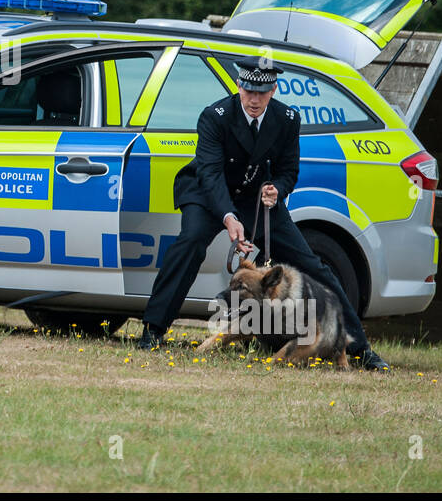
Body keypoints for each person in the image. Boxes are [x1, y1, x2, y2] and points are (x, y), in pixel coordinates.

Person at [137, 57, 390, 371]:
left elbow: (288, 170)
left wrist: (277, 190)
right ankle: (153, 330)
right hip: (208, 194)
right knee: (189, 243)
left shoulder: (286, 118)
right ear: (239, 86)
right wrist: (228, 217)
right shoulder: (215, 116)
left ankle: (360, 349)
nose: (254, 99)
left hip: (258, 200)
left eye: (262, 92)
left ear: (273, 90)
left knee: (314, 266)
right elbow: (210, 174)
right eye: (249, 91)